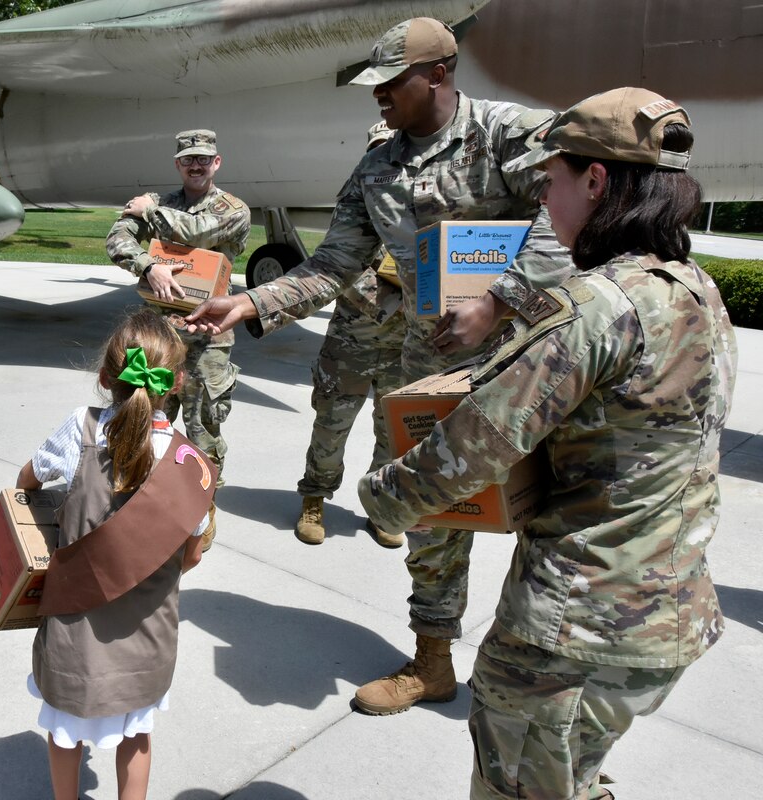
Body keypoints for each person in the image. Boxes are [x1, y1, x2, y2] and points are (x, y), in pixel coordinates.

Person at [185, 17, 573, 715]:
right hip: (434, 366)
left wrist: (498, 301)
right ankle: (433, 661)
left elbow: (569, 213)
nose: (379, 95)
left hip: (533, 361)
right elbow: (334, 263)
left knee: (555, 513)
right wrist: (249, 302)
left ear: (439, 74)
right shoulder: (376, 169)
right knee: (433, 512)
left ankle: (547, 681)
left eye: (392, 82)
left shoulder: (509, 133)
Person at [358, 87, 736, 799]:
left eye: (550, 180)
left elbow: (476, 444)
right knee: (570, 776)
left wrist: (382, 496)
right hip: (666, 609)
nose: (541, 199)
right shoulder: (694, 288)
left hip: (573, 629)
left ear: (595, 181)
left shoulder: (595, 307)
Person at [17, 308, 212, 800]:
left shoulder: (80, 431)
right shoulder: (191, 464)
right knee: (136, 735)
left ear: (105, 378)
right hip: (147, 640)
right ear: (178, 382)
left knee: (64, 735)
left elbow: (27, 480)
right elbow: (191, 556)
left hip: (75, 639)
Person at [106, 129, 251, 550]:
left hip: (209, 334)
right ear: (178, 164)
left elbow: (200, 232)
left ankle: (204, 508)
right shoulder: (158, 202)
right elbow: (117, 237)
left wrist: (151, 211)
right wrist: (147, 265)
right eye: (188, 159)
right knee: (147, 417)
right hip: (159, 335)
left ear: (216, 162)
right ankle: (145, 500)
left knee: (204, 426)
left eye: (204, 158)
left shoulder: (233, 209)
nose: (196, 165)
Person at [294, 121, 407, 547]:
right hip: (350, 346)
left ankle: (382, 508)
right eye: (378, 149)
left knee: (393, 434)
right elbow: (336, 269)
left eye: (393, 149)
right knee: (331, 427)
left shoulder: (421, 211)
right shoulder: (355, 206)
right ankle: (315, 497)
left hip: (402, 349)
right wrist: (406, 296)